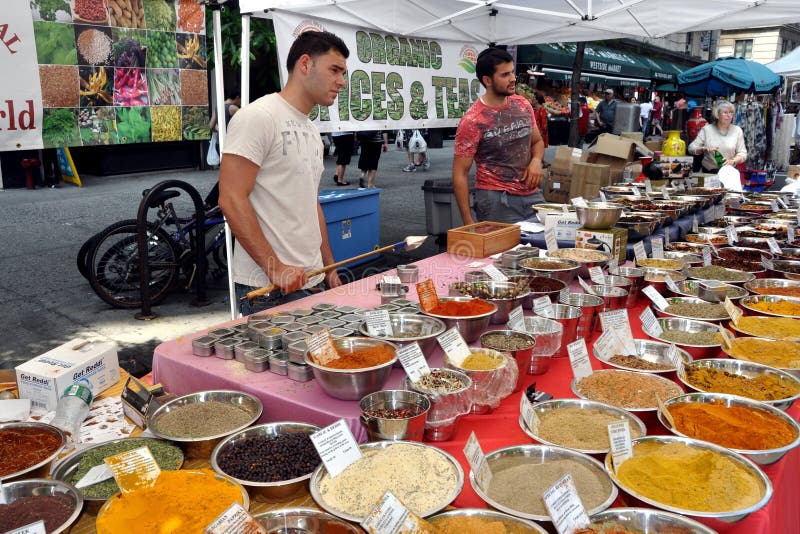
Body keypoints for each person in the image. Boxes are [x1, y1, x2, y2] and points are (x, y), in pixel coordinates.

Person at [218, 30, 349, 315]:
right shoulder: (258, 117)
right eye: (335, 70)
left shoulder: (312, 130)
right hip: (269, 290)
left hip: (310, 280)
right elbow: (230, 198)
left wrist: (329, 267)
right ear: (305, 64)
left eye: (343, 73)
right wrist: (274, 267)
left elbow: (310, 203)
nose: (341, 81)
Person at [453, 47, 544, 225]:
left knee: (543, 247)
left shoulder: (522, 104)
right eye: (505, 75)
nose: (513, 79)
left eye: (512, 72)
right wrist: (467, 220)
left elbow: (538, 141)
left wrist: (536, 161)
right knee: (504, 253)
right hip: (496, 200)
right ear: (487, 80)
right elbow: (460, 173)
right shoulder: (472, 120)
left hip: (532, 193)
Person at [687, 100, 747, 173]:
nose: (729, 115)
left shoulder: (737, 130)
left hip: (728, 173)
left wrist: (733, 161)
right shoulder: (707, 129)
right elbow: (691, 148)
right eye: (725, 112)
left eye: (731, 112)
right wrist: (703, 149)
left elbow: (743, 153)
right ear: (717, 115)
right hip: (709, 172)